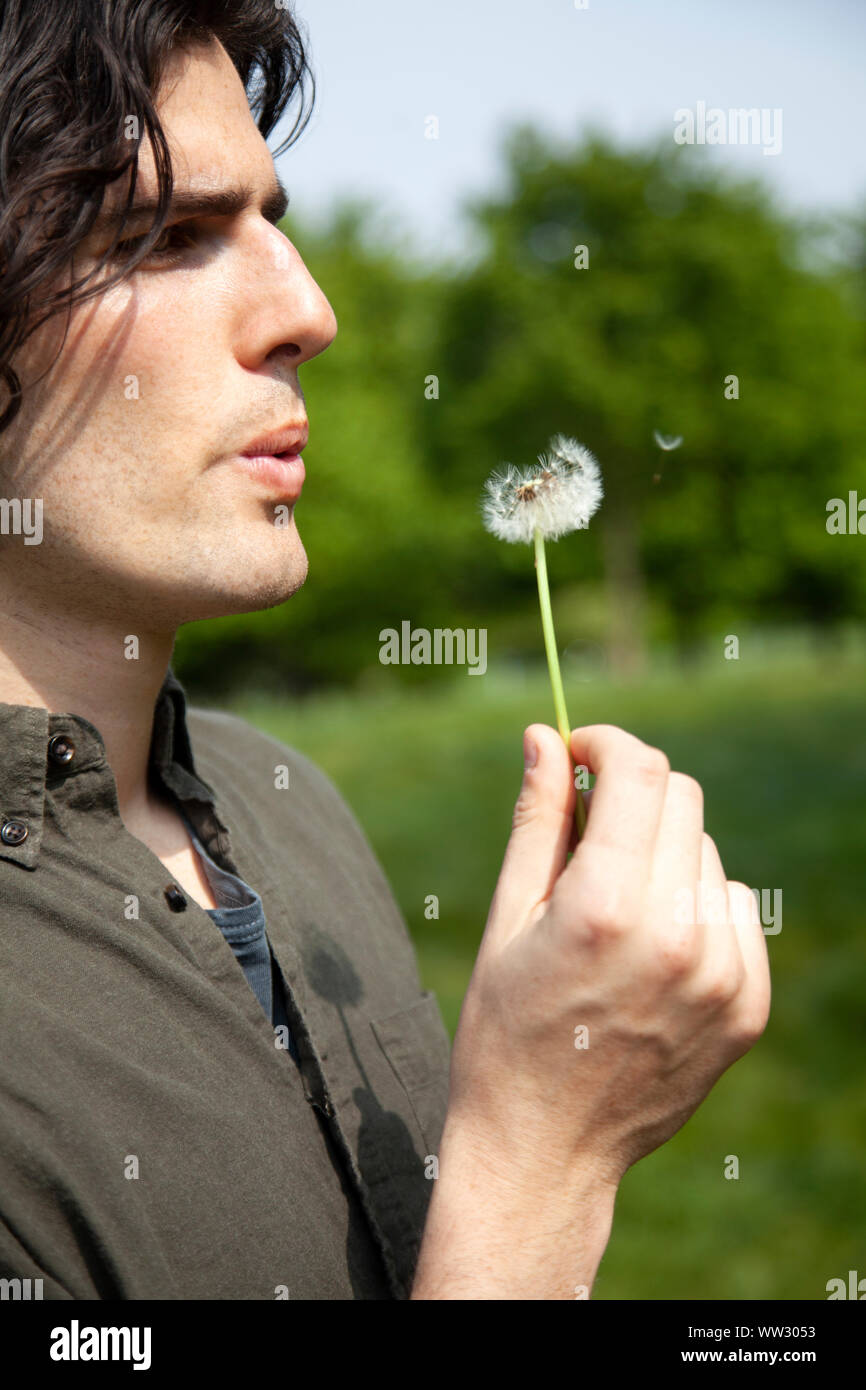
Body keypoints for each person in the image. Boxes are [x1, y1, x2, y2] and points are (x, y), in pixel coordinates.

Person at [0, 0, 770, 1301]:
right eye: (169, 235)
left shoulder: (286, 805)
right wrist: (540, 1171)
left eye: (270, 220)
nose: (308, 310)